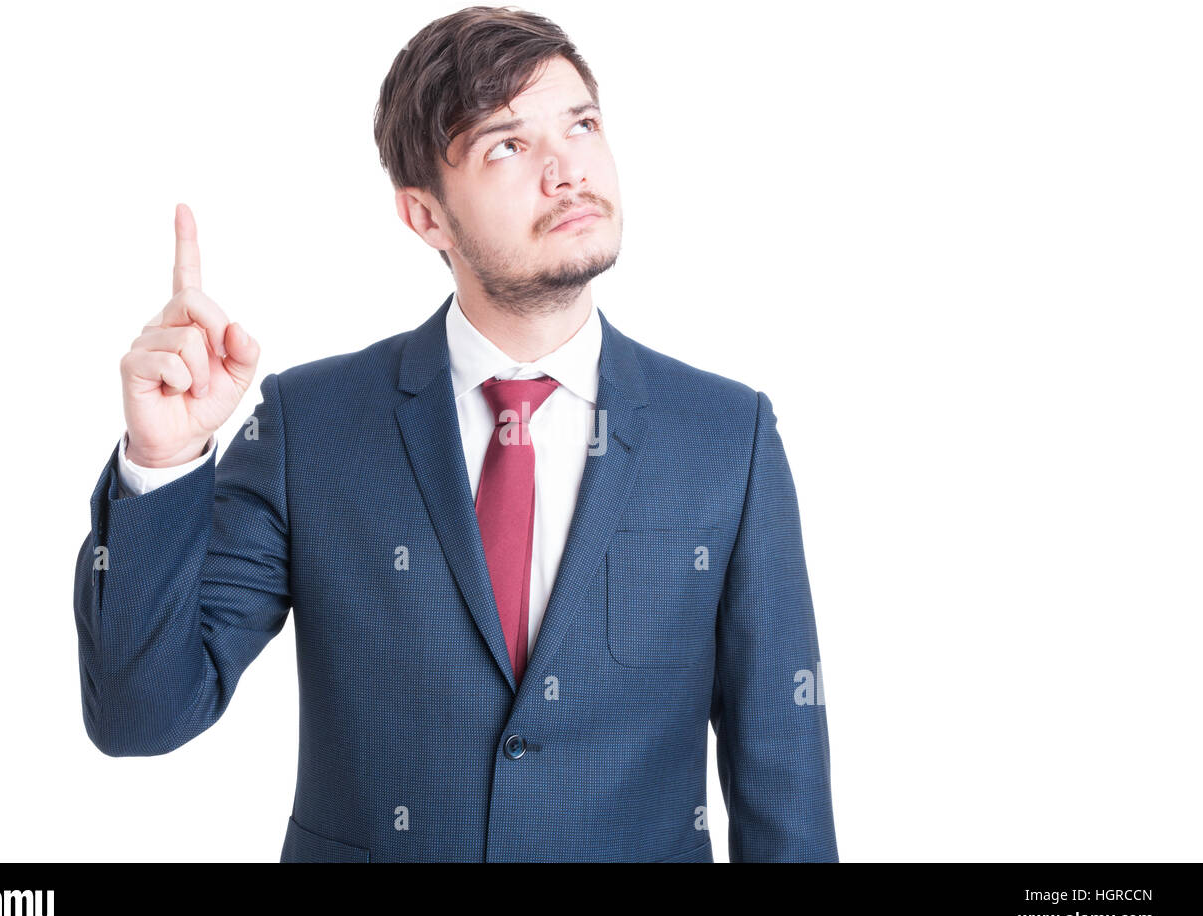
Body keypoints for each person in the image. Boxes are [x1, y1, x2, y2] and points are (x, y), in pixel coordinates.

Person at [73, 5, 838, 863]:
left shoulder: (727, 436)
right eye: (506, 145)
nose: (566, 170)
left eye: (581, 125)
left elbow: (783, 787)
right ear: (425, 217)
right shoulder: (309, 428)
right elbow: (140, 715)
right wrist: (164, 460)